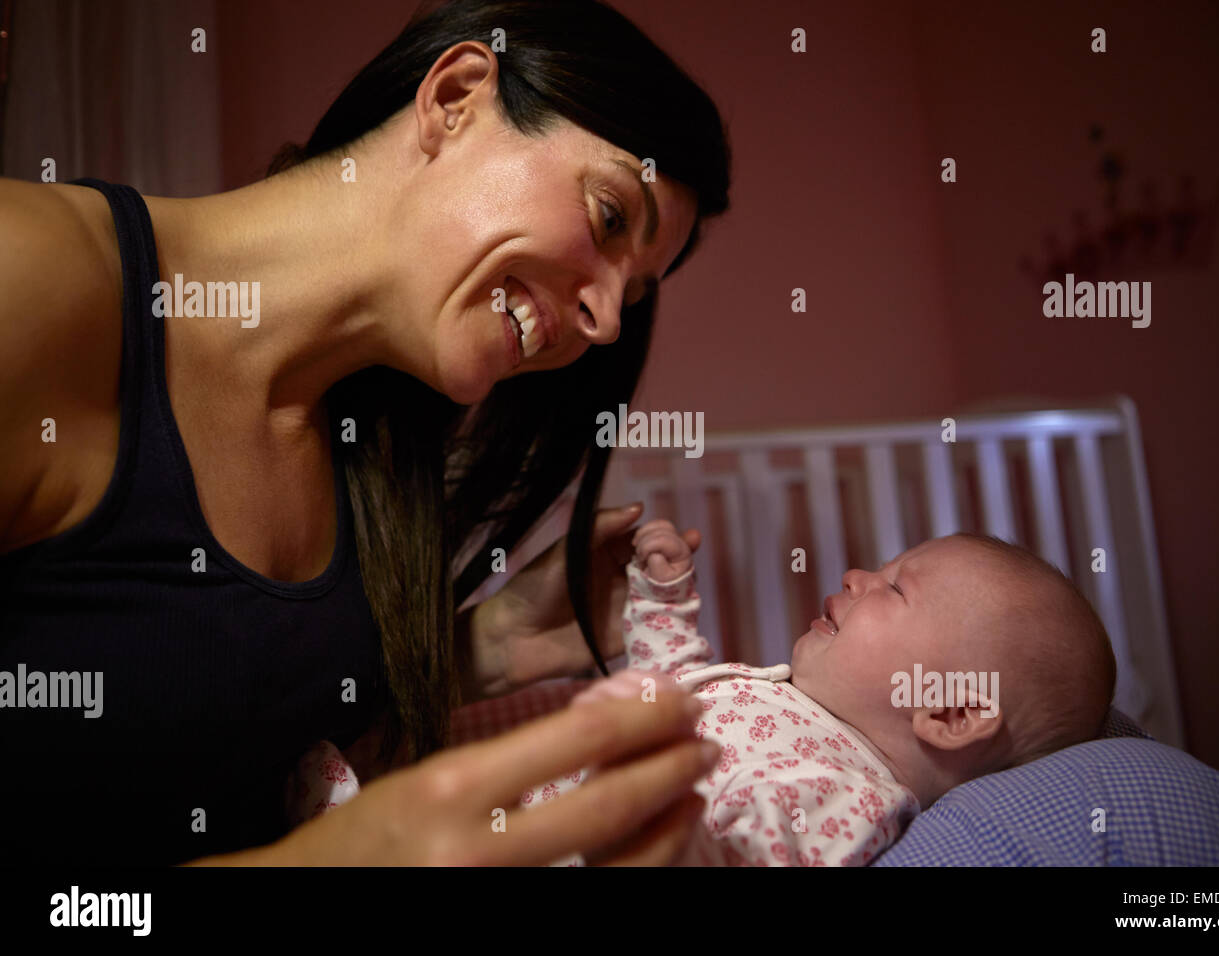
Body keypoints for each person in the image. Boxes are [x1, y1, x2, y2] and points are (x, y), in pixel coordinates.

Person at [0, 0, 730, 865]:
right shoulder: (31, 278)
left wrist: (485, 650)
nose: (605, 321)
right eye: (610, 216)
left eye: (632, 295)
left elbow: (218, 726)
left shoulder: (367, 440)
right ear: (455, 98)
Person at [511, 521, 1118, 865]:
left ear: (951, 710)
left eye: (895, 590)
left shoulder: (848, 795)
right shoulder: (794, 705)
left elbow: (741, 855)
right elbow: (673, 686)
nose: (855, 576)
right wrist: (663, 600)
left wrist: (654, 827)